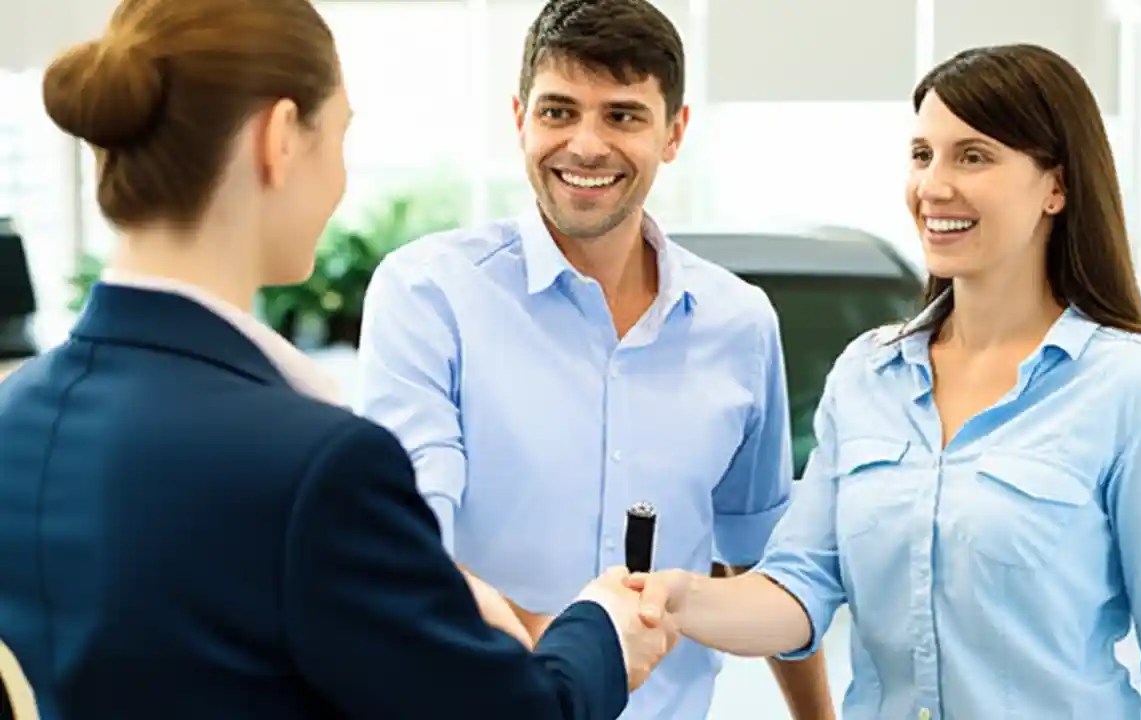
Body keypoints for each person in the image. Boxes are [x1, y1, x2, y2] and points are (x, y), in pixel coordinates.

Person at [0, 1, 677, 718]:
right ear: (281, 138)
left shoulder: (18, 416)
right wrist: (601, 628)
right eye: (341, 134)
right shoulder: (317, 468)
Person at [624, 44, 1141, 720]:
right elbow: (798, 590)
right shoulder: (867, 375)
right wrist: (678, 597)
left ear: (1056, 186)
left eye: (973, 156)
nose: (934, 186)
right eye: (922, 155)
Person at [355, 0, 835, 718]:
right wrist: (578, 648)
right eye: (557, 111)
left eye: (622, 115)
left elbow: (761, 561)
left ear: (674, 132)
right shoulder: (428, 296)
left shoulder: (739, 322)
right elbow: (406, 544)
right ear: (518, 117)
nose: (584, 145)